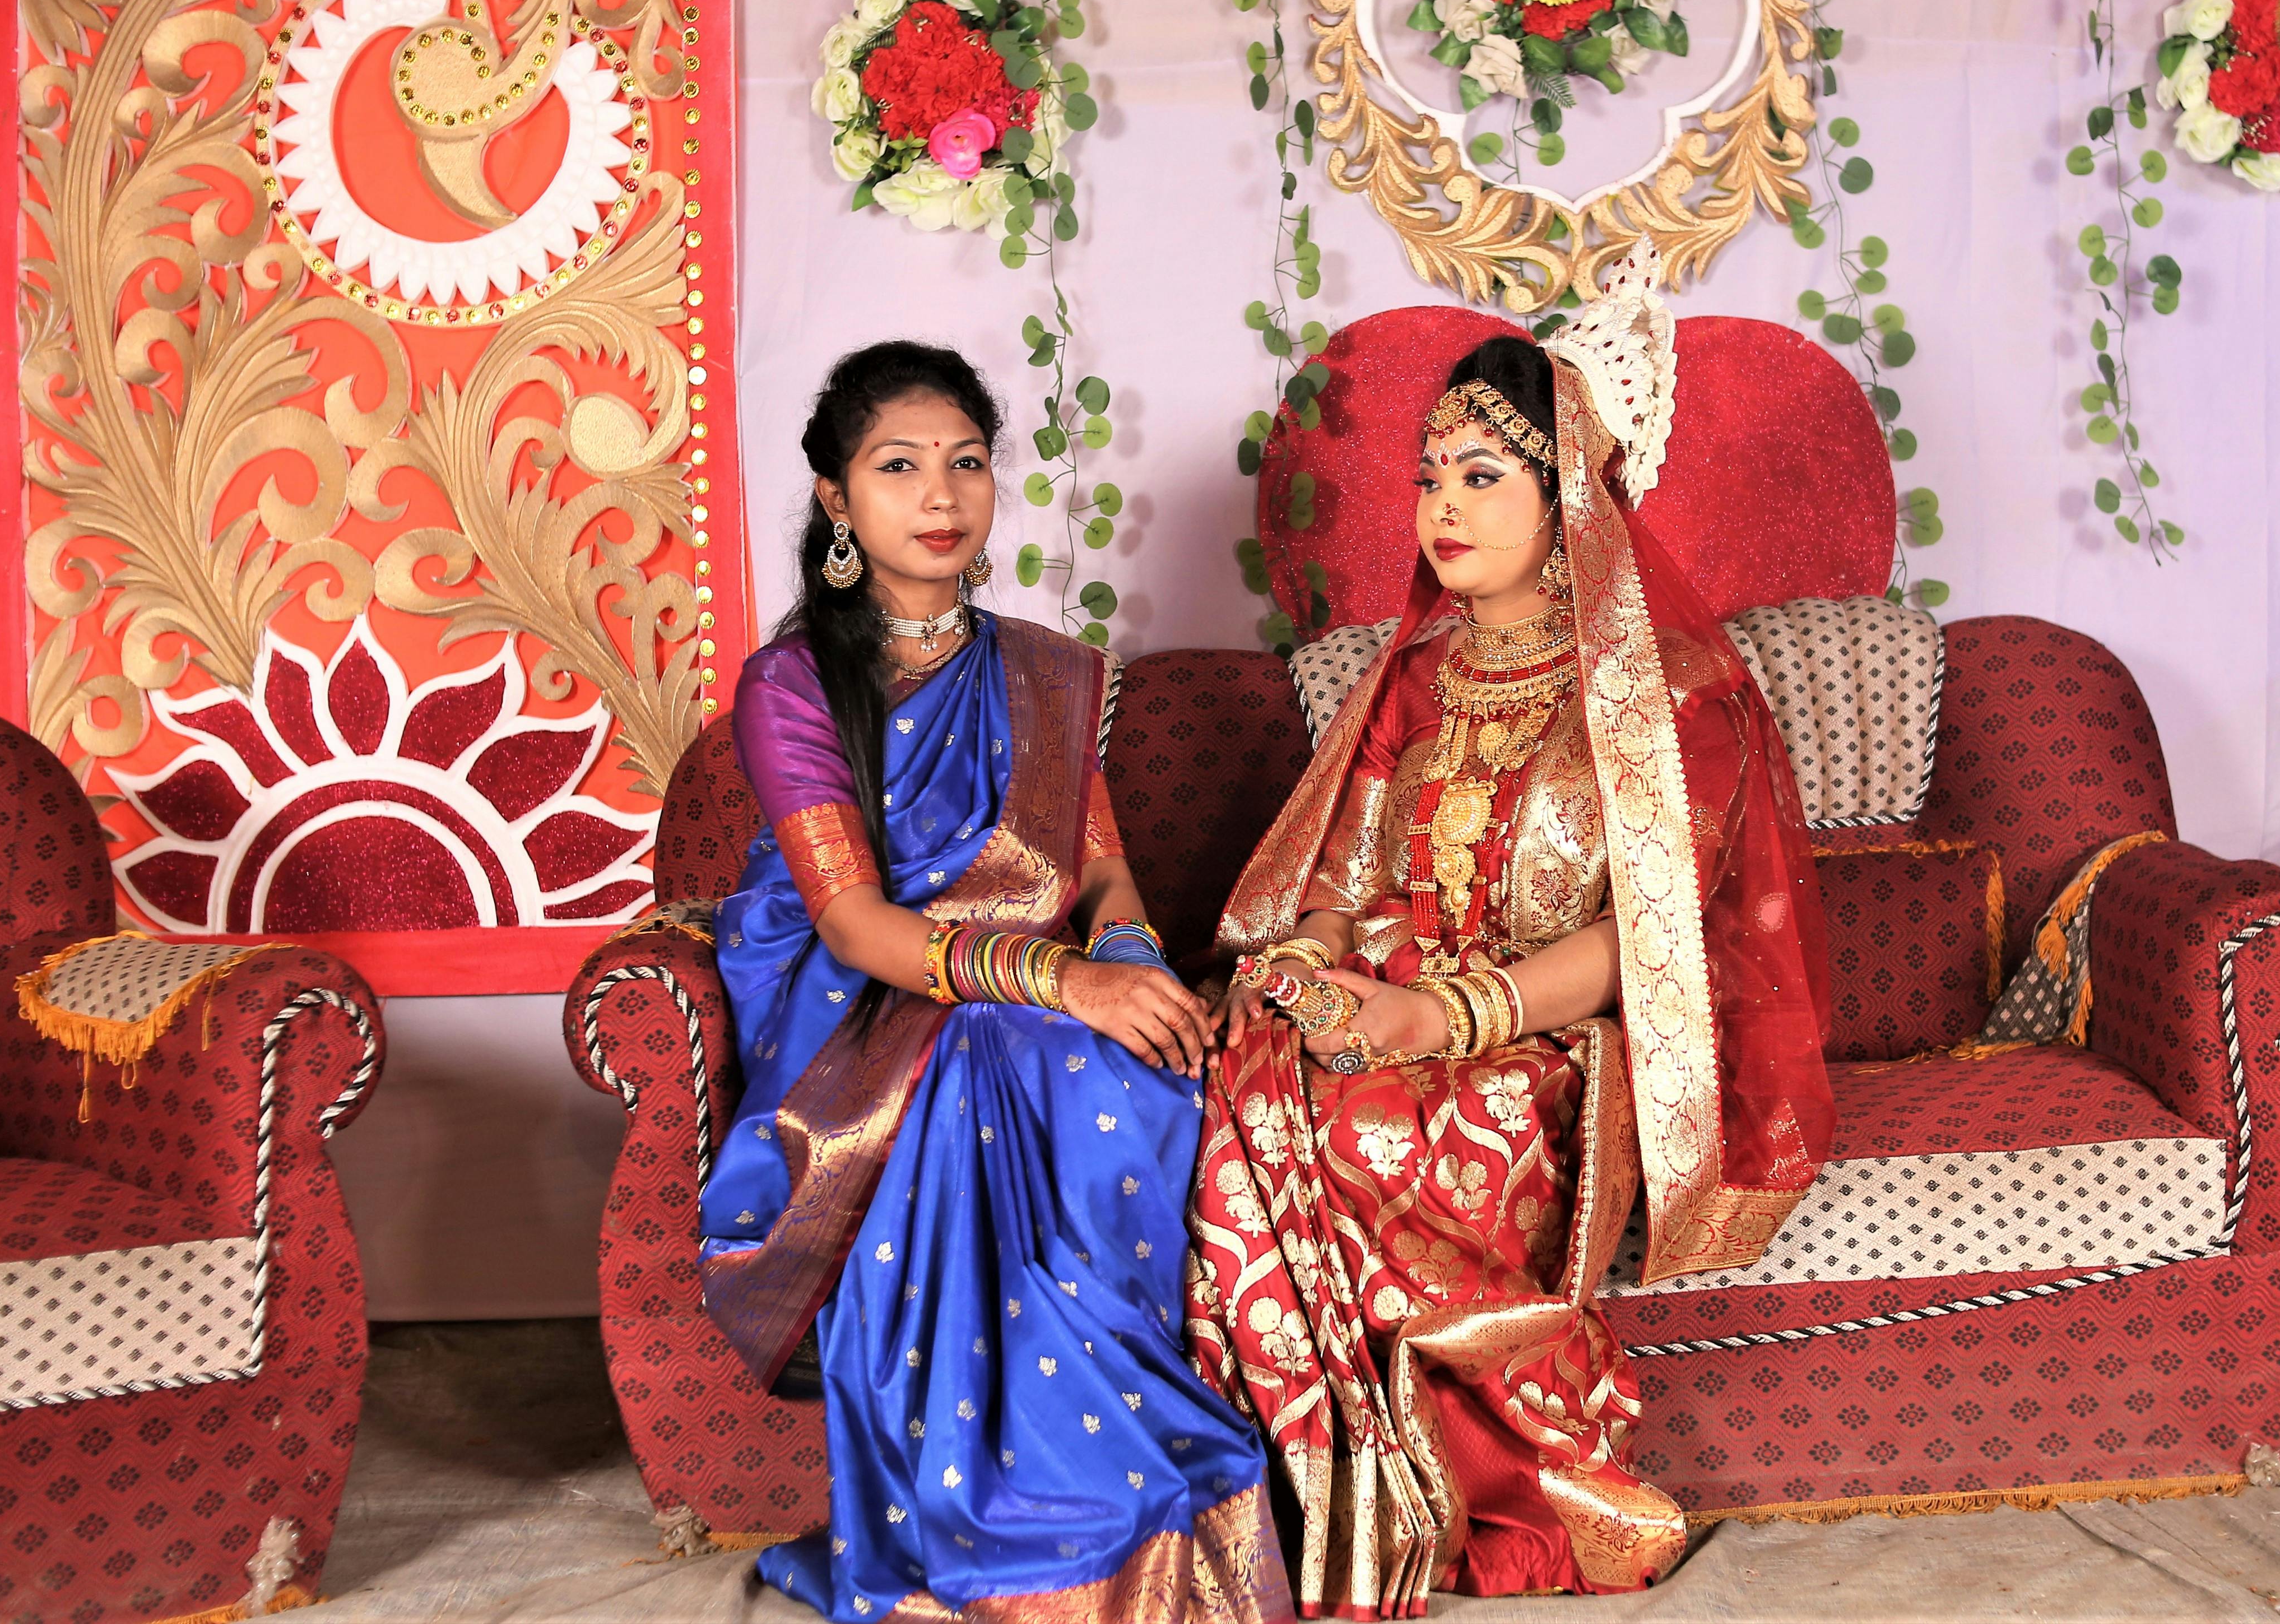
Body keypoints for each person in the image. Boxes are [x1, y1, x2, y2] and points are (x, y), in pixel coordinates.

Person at [1186, 248, 1836, 1616]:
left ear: (1571, 492)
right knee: (1222, 1074)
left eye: (1481, 475)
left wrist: (1444, 1015)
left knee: (1376, 1120)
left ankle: (1487, 1488)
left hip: (1554, 1036)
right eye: (1429, 476)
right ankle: (1293, 1496)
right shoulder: (1412, 677)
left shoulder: (1672, 699)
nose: (1440, 506)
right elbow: (1338, 876)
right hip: (1387, 993)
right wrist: (1304, 966)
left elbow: (1648, 942)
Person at [699, 342, 1289, 1623]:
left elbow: (1101, 870)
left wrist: (1128, 965)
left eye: (965, 462)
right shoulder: (791, 684)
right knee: (1010, 1056)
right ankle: (1038, 1521)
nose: (940, 494)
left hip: (1038, 983)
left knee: (1131, 1060)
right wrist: (1059, 980)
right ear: (835, 498)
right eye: (897, 466)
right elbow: (852, 923)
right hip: (862, 1009)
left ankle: (1102, 1485)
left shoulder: (1041, 669)